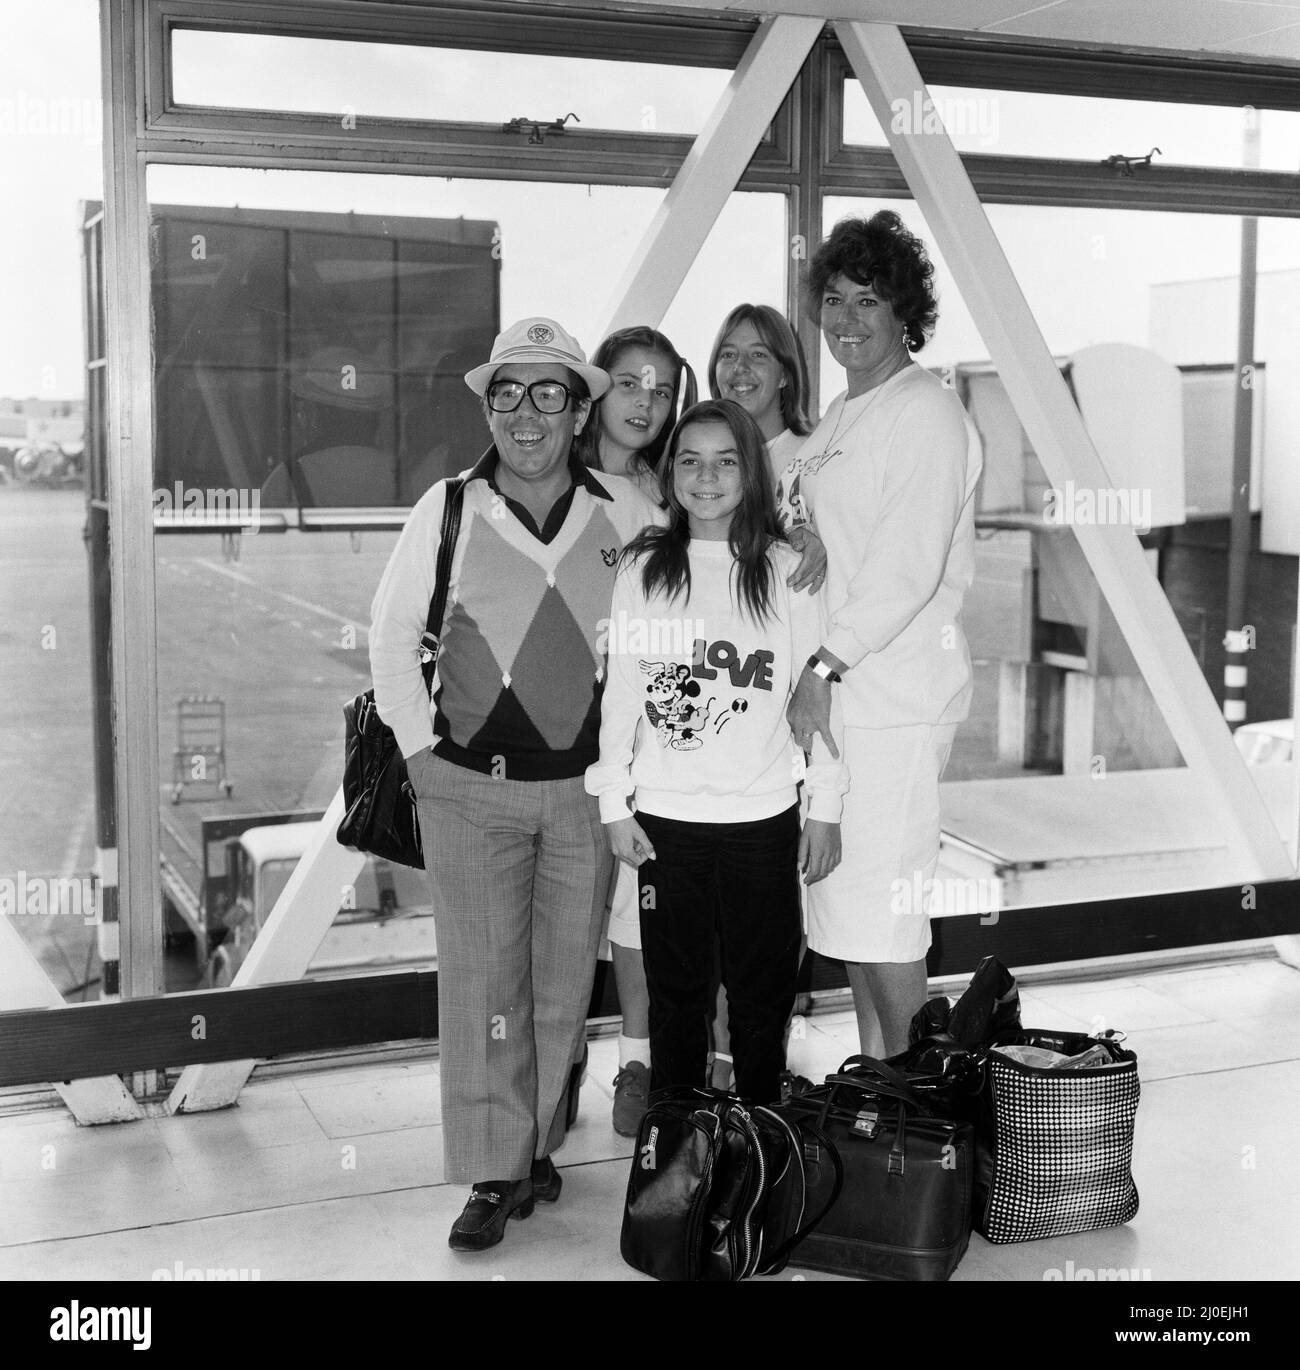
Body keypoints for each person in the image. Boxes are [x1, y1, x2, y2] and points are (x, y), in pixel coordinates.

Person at [369, 317, 662, 1252]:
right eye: (508, 393)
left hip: (583, 793)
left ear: (581, 411)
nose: (526, 412)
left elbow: (696, 589)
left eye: (548, 394)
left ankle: (535, 1148)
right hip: (466, 787)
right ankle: (495, 1170)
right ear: (488, 407)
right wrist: (421, 759)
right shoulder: (445, 507)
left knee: (561, 984)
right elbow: (388, 638)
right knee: (484, 985)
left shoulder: (625, 509)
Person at [587, 398, 847, 1104]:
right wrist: (614, 802)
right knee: (677, 1003)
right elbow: (620, 698)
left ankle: (760, 1151)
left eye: (726, 460)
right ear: (671, 475)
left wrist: (824, 804)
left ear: (751, 472)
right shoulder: (645, 569)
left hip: (763, 822)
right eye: (691, 461)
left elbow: (816, 701)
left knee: (762, 1004)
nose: (708, 476)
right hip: (667, 824)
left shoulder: (788, 569)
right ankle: (677, 1159)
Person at [782, 211, 983, 1059]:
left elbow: (904, 568)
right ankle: (882, 1096)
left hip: (892, 703)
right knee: (854, 924)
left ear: (905, 314)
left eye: (869, 300)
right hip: (840, 708)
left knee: (889, 926)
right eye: (835, 299)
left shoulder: (925, 413)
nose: (848, 320)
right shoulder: (838, 421)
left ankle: (927, 1137)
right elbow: (823, 535)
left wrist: (825, 664)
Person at [574, 326, 693, 1134]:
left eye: (659, 389)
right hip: (555, 730)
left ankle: (635, 1065)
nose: (644, 401)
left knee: (632, 914)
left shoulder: (667, 497)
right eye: (628, 383)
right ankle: (552, 1064)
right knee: (560, 916)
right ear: (596, 390)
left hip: (639, 736)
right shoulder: (553, 479)